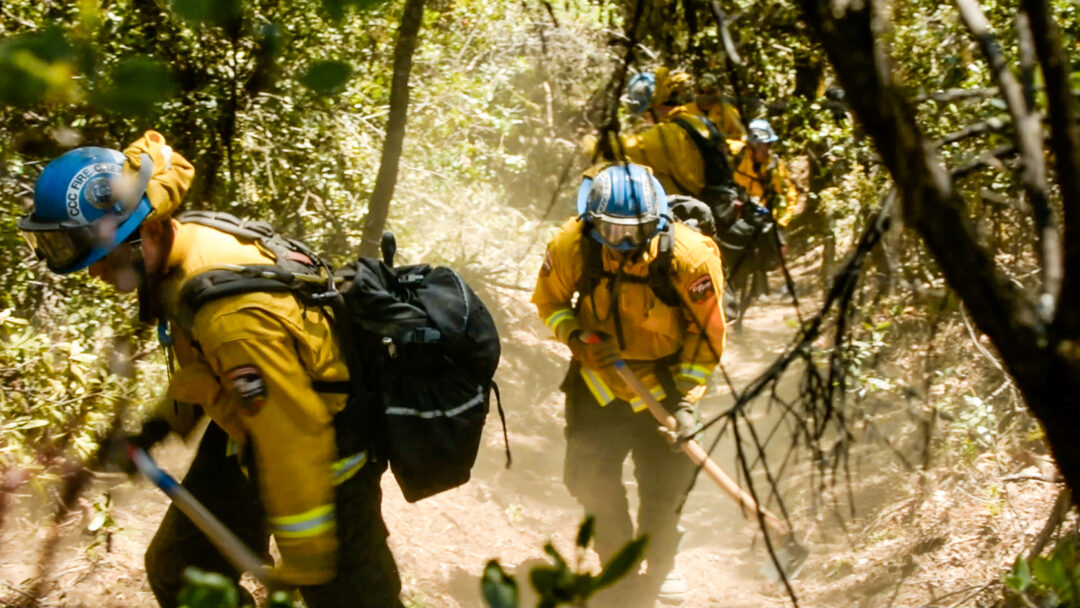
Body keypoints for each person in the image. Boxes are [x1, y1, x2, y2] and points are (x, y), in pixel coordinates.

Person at [17, 132, 404, 608]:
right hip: (253, 433)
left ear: (146, 232)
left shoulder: (232, 316)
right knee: (182, 571)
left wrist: (306, 560)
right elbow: (207, 367)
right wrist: (158, 429)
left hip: (323, 459)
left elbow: (291, 434)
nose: (96, 272)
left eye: (105, 256)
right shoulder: (184, 254)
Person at [532, 163, 726, 606]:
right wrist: (575, 338)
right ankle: (616, 564)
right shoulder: (571, 244)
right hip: (598, 382)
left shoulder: (692, 258)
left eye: (632, 231)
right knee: (589, 478)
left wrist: (687, 402)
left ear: (656, 221)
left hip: (666, 385)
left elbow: (708, 336)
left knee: (665, 486)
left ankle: (661, 562)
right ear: (591, 221)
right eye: (609, 230)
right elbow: (550, 302)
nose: (620, 243)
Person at [726, 118, 798, 227]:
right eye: (765, 144)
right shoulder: (736, 154)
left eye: (769, 144)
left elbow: (789, 195)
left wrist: (782, 222)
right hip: (729, 214)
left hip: (757, 219)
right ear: (753, 145)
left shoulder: (773, 165)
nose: (767, 149)